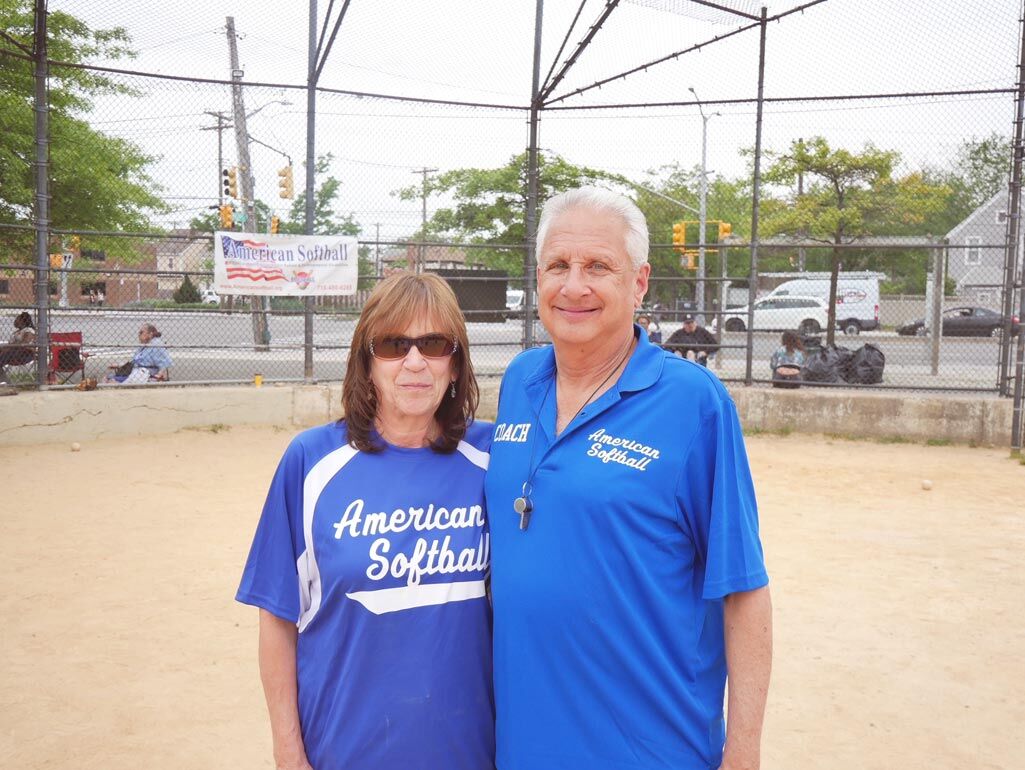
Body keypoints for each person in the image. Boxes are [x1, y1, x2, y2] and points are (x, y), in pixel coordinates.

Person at [486, 187, 771, 770]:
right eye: (558, 266)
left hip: (649, 748)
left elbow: (742, 589)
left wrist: (743, 754)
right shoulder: (519, 382)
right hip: (525, 746)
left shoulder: (694, 404)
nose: (574, 286)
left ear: (639, 283)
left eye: (598, 267)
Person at [236, 272, 495, 770]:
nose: (415, 362)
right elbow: (277, 617)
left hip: (469, 752)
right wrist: (288, 755)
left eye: (435, 343)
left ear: (456, 364)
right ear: (367, 362)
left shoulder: (495, 460)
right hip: (345, 750)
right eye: (394, 344)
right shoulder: (311, 462)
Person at [105, 323, 172, 383]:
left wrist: (159, 375)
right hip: (135, 371)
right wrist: (119, 365)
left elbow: (165, 362)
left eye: (141, 332)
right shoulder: (144, 345)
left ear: (150, 334)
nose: (139, 335)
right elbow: (134, 361)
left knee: (112, 381)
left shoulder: (156, 344)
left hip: (145, 373)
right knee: (107, 378)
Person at [0, 312, 37, 383]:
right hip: (12, 353)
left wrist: (10, 347)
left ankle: (5, 382)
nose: (15, 321)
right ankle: (4, 382)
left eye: (17, 319)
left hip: (24, 354)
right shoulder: (17, 332)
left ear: (22, 321)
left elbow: (25, 343)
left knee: (4, 354)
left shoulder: (29, 330)